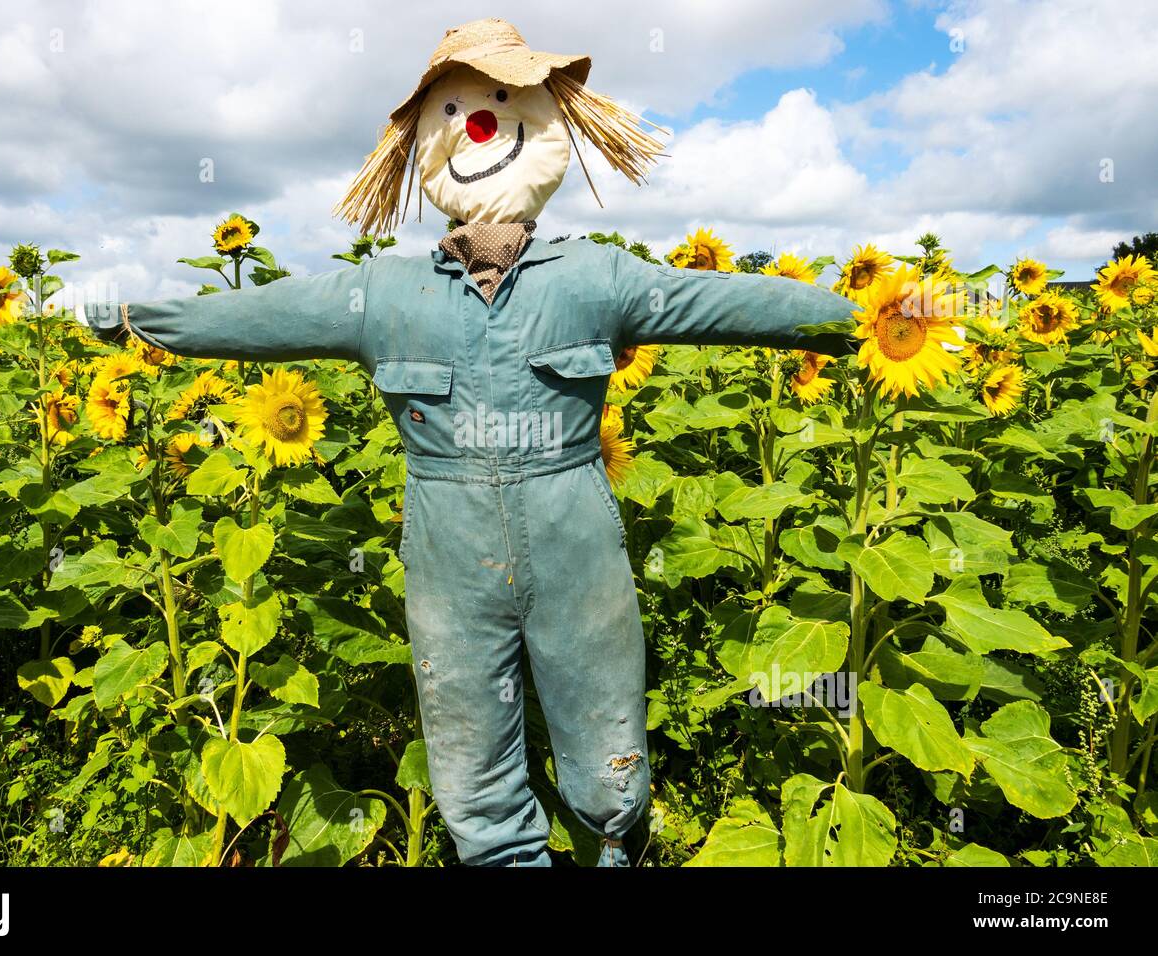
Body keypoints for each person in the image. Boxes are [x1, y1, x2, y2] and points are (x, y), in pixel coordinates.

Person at [81, 18, 857, 866]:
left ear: (553, 117)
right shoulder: (383, 294)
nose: (480, 125)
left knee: (606, 737)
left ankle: (614, 845)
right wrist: (135, 320)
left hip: (575, 539)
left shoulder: (597, 278)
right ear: (420, 143)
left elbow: (723, 305)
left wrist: (862, 323)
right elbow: (260, 315)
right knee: (467, 751)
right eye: (457, 108)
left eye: (501, 99)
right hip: (446, 554)